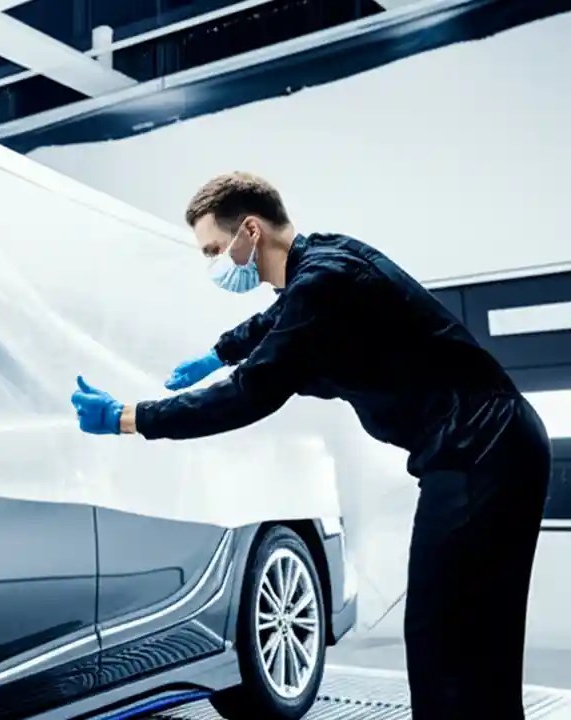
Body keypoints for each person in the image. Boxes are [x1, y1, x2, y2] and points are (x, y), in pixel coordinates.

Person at [70, 171, 550, 719]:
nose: (213, 264)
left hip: (480, 449)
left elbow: (251, 395)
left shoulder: (323, 284)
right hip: (491, 444)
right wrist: (219, 352)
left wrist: (129, 418)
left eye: (212, 249)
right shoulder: (322, 262)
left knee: (444, 637)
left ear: (249, 230)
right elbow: (275, 319)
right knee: (477, 636)